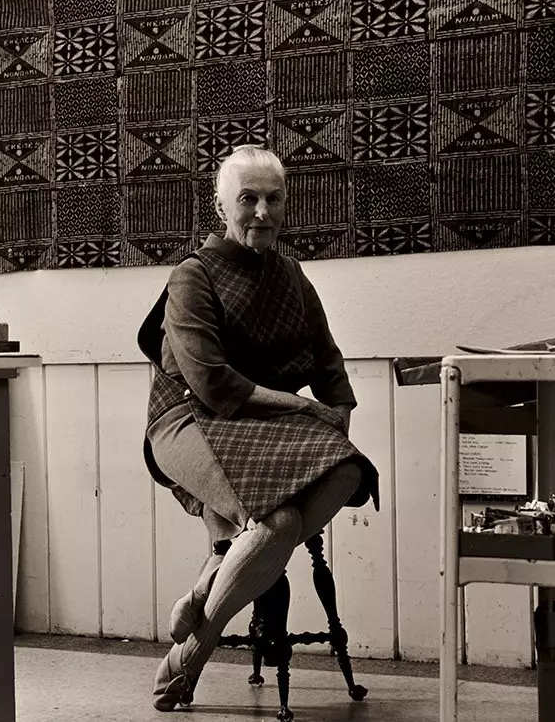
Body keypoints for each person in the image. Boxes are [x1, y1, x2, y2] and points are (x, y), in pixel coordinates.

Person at [137, 145, 380, 711]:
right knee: (280, 523)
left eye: (274, 199)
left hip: (265, 425)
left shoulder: (291, 274)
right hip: (190, 420)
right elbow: (213, 384)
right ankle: (192, 654)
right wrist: (302, 411)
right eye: (247, 199)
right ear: (221, 205)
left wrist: (336, 420)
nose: (262, 212)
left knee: (349, 470)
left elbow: (328, 362)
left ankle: (201, 594)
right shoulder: (192, 275)